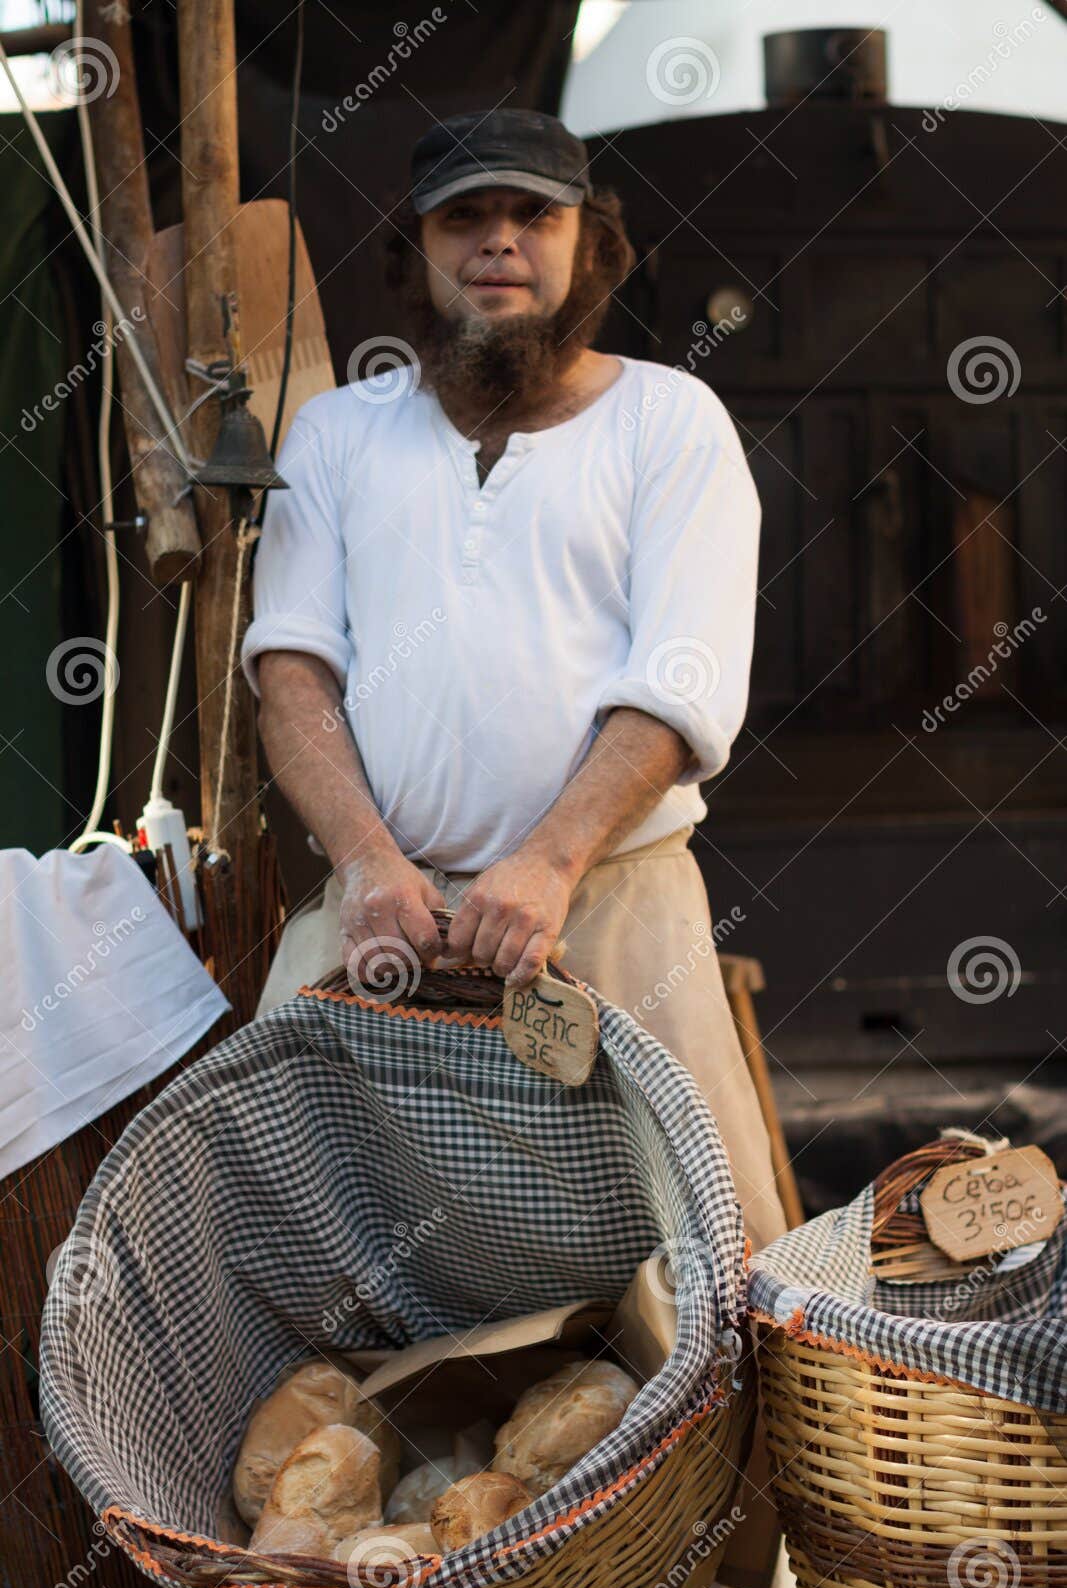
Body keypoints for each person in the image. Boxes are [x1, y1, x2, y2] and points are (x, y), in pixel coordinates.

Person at [240, 109, 787, 1253]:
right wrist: (366, 863)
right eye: (464, 218)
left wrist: (545, 862)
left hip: (615, 911)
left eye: (533, 214)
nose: (500, 241)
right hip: (382, 913)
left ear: (591, 246)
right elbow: (292, 679)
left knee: (698, 1278)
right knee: (286, 1249)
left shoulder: (669, 421)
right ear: (414, 251)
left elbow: (677, 681)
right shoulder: (335, 436)